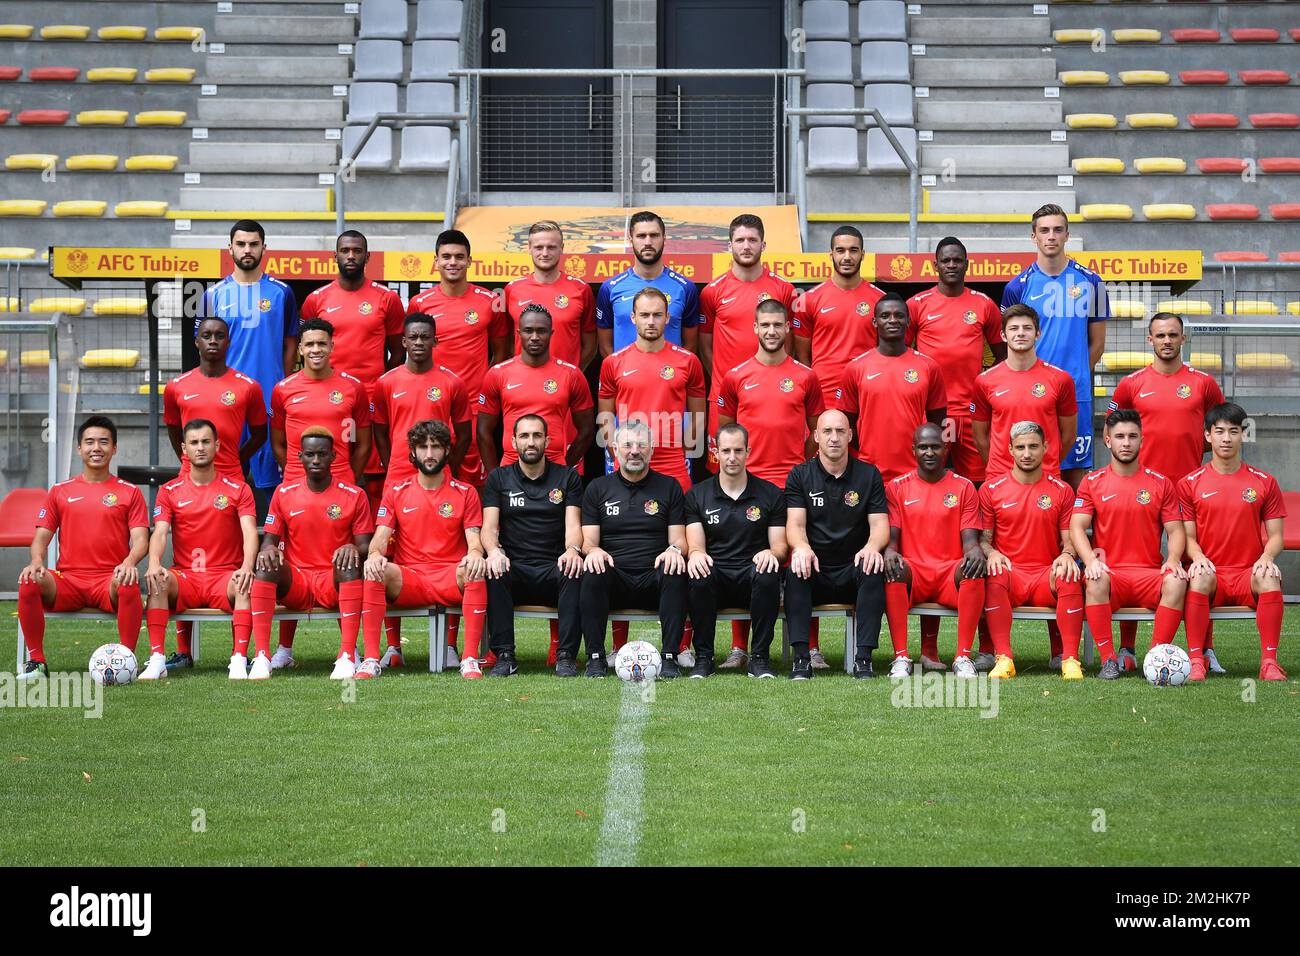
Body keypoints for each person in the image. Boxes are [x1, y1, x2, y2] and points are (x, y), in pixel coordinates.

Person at [1107, 311, 1225, 671]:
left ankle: (1202, 649)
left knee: (1194, 564)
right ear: (1150, 340)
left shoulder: (1204, 383)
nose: (1167, 341)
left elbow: (1215, 433)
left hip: (1190, 488)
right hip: (1142, 489)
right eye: (1160, 335)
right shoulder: (1130, 384)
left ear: (1183, 339)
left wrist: (1189, 455)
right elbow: (1117, 430)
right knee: (1133, 563)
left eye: (1173, 335)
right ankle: (1127, 648)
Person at [161, 315, 265, 671]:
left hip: (232, 481)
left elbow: (261, 433)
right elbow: (175, 430)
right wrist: (184, 457)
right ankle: (183, 650)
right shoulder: (177, 386)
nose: (213, 341)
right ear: (197, 341)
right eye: (207, 335)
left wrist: (237, 457)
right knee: (185, 560)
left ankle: (240, 650)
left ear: (228, 341)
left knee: (234, 563)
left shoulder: (247, 386)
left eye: (220, 336)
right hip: (190, 481)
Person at [17, 416, 148, 679]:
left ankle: (127, 661)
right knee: (30, 580)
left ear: (114, 448)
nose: (96, 448)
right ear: (79, 448)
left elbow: (142, 539)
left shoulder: (129, 492)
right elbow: (41, 538)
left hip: (108, 580)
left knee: (128, 581)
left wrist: (129, 562)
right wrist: (36, 561)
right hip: (69, 581)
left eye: (103, 442)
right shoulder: (60, 491)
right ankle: (37, 663)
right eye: (89, 442)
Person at [362, 420, 489, 679]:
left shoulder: (466, 492)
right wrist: (374, 555)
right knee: (376, 570)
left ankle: (469, 659)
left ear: (447, 451)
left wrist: (475, 554)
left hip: (449, 576)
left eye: (436, 447)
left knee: (475, 569)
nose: (429, 454)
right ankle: (372, 659)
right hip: (411, 578)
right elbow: (380, 538)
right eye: (423, 447)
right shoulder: (396, 491)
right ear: (412, 452)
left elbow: (474, 542)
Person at [1070, 410, 1188, 680]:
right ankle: (1109, 660)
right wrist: (1090, 561)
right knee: (1096, 579)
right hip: (1112, 575)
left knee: (1177, 581)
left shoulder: (1161, 484)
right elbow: (1077, 527)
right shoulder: (1092, 482)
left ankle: (1155, 659)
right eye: (1120, 436)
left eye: (1132, 436)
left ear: (1142, 440)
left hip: (1149, 574)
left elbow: (1176, 530)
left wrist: (1173, 560)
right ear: (1108, 440)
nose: (1126, 443)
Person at [1000, 203, 1108, 489]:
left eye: (1058, 230)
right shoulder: (1017, 286)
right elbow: (1010, 340)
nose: (1051, 236)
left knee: (1074, 473)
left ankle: (1069, 534)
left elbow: (1097, 344)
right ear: (1033, 236)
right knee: (1029, 466)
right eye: (1044, 230)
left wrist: (1071, 382)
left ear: (1067, 235)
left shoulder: (1092, 282)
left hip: (1076, 392)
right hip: (1029, 392)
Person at [252, 429, 374, 679]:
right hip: (297, 582)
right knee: (266, 564)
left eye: (322, 454)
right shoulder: (283, 493)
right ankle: (262, 656)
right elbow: (268, 541)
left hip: (332, 580)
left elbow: (365, 545)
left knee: (350, 563)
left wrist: (353, 547)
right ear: (300, 457)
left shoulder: (354, 495)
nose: (316, 460)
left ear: (333, 456)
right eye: (310, 454)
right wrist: (269, 551)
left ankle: (347, 655)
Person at [143, 420, 259, 680]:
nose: (200, 448)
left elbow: (250, 531)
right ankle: (157, 659)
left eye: (206, 442)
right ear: (184, 449)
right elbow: (160, 532)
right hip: (186, 577)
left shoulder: (238, 488)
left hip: (223, 576)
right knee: (158, 581)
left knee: (243, 583)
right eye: (194, 443)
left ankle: (239, 659)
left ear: (217, 446)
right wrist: (153, 563)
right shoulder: (169, 490)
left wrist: (247, 566)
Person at [1179, 402, 1287, 682]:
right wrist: (1199, 557)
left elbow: (1276, 536)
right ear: (1207, 436)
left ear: (1243, 434)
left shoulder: (1264, 482)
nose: (1226, 438)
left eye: (1234, 431)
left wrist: (1266, 557)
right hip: (1213, 573)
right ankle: (1196, 661)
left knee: (1269, 578)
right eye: (1220, 431)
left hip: (1246, 574)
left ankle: (1269, 663)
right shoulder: (1189, 483)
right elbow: (1188, 537)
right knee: (1199, 578)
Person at [299, 230, 406, 507]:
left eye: (357, 251)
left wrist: (379, 385)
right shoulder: (316, 300)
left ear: (367, 256)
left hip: (371, 398)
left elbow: (398, 350)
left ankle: (370, 541)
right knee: (329, 463)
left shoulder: (387, 298)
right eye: (345, 250)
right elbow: (309, 347)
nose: (351, 256)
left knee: (371, 472)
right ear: (334, 256)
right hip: (327, 400)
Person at [783, 409, 890, 680]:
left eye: (840, 431)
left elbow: (880, 526)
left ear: (850, 435)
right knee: (796, 568)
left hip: (852, 567)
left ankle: (863, 659)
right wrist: (802, 547)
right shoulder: (799, 475)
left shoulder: (869, 475)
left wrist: (871, 547)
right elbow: (794, 525)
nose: (834, 438)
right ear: (816, 436)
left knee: (873, 566)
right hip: (815, 568)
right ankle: (801, 659)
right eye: (827, 431)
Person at [203, 219, 300, 517]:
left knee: (272, 485)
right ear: (229, 247)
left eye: (253, 244)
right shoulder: (213, 294)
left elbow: (290, 344)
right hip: (226, 402)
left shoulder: (282, 292)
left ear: (264, 248)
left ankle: (272, 553)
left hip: (270, 401)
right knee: (223, 482)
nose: (247, 250)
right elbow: (205, 349)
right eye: (241, 244)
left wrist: (281, 385)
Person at [579, 420, 689, 678]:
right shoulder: (597, 488)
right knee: (592, 571)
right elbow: (588, 542)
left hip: (654, 577)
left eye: (641, 445)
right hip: (615, 578)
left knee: (674, 570)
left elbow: (680, 540)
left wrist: (673, 550)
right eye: (628, 444)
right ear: (615, 449)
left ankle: (670, 657)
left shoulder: (669, 487)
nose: (634, 451)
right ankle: (595, 658)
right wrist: (593, 551)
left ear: (651, 450)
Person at [480, 414, 586, 676]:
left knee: (574, 569)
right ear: (513, 441)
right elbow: (489, 528)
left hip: (553, 568)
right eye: (525, 436)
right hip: (515, 569)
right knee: (495, 568)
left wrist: (572, 550)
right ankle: (504, 655)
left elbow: (574, 527)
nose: (531, 442)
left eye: (537, 436)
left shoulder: (567, 478)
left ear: (547, 441)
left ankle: (566, 656)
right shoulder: (498, 479)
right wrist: (493, 551)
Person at [978, 422, 1085, 679]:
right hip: (1011, 574)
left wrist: (1067, 554)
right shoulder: (990, 490)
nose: (1027, 453)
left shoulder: (1062, 491)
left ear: (1046, 448)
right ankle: (1004, 658)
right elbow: (983, 540)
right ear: (1010, 450)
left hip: (1044, 576)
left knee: (1069, 573)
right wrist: (991, 552)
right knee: (993, 574)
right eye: (1021, 447)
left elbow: (1069, 540)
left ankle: (1069, 660)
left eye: (1034, 446)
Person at [406, 229, 512, 484]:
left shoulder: (489, 302)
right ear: (436, 262)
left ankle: (474, 524)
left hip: (475, 404)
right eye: (446, 257)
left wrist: (483, 388)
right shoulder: (420, 303)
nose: (452, 262)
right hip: (431, 402)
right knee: (429, 468)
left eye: (459, 257)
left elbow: (501, 353)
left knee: (472, 476)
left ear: (469, 261)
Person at [882, 423, 987, 678]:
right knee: (893, 567)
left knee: (973, 569)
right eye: (923, 447)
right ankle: (901, 658)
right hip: (914, 571)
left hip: (948, 572)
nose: (929, 452)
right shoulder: (897, 487)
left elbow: (970, 539)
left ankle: (962, 657)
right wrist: (889, 552)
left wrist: (974, 550)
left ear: (946, 449)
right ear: (913, 450)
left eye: (935, 447)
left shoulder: (964, 487)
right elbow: (892, 539)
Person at [684, 423, 787, 678]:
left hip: (751, 576)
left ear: (748, 452)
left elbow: (781, 547)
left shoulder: (770, 494)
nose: (732, 457)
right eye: (726, 451)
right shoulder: (697, 495)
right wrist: (696, 554)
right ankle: (704, 659)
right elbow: (696, 546)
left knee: (768, 573)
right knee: (699, 573)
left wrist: (771, 554)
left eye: (738, 450)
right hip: (716, 577)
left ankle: (760, 658)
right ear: (715, 452)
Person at [699, 213, 797, 468]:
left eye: (753, 240)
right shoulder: (712, 291)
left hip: (773, 393)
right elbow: (705, 343)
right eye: (740, 240)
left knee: (769, 463)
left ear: (763, 245)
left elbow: (791, 343)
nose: (746, 246)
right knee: (723, 465)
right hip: (724, 396)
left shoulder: (783, 289)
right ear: (729, 245)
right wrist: (724, 379)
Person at [906, 236, 1006, 483]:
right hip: (932, 412)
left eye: (957, 260)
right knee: (929, 478)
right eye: (946, 260)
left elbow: (1002, 353)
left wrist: (983, 384)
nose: (952, 265)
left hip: (972, 412)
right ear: (935, 266)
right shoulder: (917, 304)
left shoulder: (984, 304)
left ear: (967, 265)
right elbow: (900, 354)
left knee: (977, 479)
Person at [597, 287, 707, 491]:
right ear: (633, 317)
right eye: (644, 315)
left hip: (672, 462)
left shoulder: (688, 361)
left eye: (657, 315)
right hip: (630, 461)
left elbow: (698, 416)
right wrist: (617, 453)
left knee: (676, 523)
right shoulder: (613, 363)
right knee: (629, 522)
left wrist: (684, 451)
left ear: (667, 317)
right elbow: (605, 415)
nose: (650, 321)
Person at [840, 293, 948, 482]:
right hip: (869, 472)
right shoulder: (855, 368)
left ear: (908, 321)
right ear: (875, 322)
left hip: (915, 472)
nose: (892, 320)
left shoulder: (929, 367)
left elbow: (938, 423)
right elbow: (847, 425)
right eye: (885, 316)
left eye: (899, 316)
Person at [716, 299, 824, 487]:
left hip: (792, 482)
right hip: (748, 482)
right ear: (756, 327)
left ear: (787, 327)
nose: (771, 332)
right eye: (765, 325)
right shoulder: (734, 377)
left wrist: (799, 463)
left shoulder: (807, 376)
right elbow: (727, 432)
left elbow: (817, 432)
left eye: (777, 325)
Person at [478, 304, 595, 473]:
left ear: (551, 333)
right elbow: (483, 431)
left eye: (541, 331)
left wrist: (565, 469)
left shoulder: (571, 374)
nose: (534, 337)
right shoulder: (498, 374)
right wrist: (494, 476)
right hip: (510, 468)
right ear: (518, 334)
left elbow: (587, 430)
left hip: (554, 468)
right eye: (528, 330)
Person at [971, 304, 1077, 481]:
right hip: (1000, 478)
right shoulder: (984, 380)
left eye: (1027, 328)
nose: (1020, 333)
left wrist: (1046, 463)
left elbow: (1069, 436)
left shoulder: (1061, 379)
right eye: (1014, 328)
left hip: (1046, 477)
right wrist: (998, 467)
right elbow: (980, 437)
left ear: (1038, 334)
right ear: (1003, 336)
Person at [372, 312, 472, 487]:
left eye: (425, 337)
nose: (418, 342)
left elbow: (464, 435)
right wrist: (392, 466)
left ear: (435, 341)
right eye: (413, 337)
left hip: (438, 469)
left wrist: (448, 464)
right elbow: (379, 432)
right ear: (404, 342)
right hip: (398, 472)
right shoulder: (385, 382)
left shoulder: (453, 382)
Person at [270, 317, 372, 488]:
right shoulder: (282, 389)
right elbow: (277, 444)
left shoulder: (353, 387)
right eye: (309, 344)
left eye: (322, 344)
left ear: (331, 346)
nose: (316, 350)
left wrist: (349, 479)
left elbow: (363, 444)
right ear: (300, 349)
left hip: (340, 481)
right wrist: (294, 473)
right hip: (295, 483)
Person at [792, 225, 885, 409]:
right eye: (840, 250)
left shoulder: (880, 300)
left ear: (863, 254)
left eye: (853, 250)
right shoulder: (809, 299)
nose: (847, 257)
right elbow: (802, 356)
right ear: (831, 254)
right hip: (823, 395)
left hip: (866, 391)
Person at [595, 210, 700, 358]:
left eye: (654, 235)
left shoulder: (686, 288)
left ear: (664, 238)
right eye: (641, 236)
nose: (648, 242)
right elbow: (605, 347)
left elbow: (691, 346)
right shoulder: (610, 288)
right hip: (625, 378)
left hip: (669, 377)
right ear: (631, 240)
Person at [504, 220, 597, 369]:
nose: (545, 253)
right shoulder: (512, 289)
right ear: (529, 248)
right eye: (539, 247)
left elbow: (590, 345)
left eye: (551, 247)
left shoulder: (581, 289)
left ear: (561, 248)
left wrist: (571, 374)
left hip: (566, 386)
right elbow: (506, 340)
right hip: (521, 382)